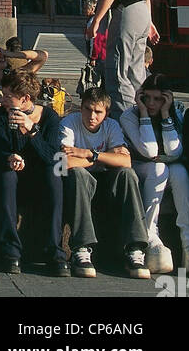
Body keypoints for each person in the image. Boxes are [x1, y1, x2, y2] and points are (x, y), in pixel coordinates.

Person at [60, 86, 150, 279]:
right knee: (78, 173)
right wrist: (104, 158)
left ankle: (135, 248)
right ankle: (82, 248)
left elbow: (125, 161)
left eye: (98, 112)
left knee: (127, 175)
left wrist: (88, 154)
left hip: (106, 182)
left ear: (106, 113)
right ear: (81, 108)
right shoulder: (69, 123)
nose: (92, 116)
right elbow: (63, 162)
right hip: (79, 185)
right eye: (87, 109)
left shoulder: (112, 126)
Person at [0, 70, 67, 275]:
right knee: (6, 175)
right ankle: (11, 252)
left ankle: (55, 252)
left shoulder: (49, 117)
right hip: (13, 173)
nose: (2, 100)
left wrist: (32, 130)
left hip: (39, 175)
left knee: (55, 174)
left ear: (25, 99)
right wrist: (10, 156)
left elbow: (52, 156)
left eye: (8, 96)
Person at [119, 73, 189, 273]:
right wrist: (143, 112)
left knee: (178, 171)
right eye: (147, 98)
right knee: (159, 167)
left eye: (158, 99)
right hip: (140, 168)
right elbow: (149, 151)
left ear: (167, 98)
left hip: (167, 170)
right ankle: (151, 237)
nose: (152, 103)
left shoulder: (175, 111)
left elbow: (175, 151)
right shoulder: (130, 115)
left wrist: (166, 115)